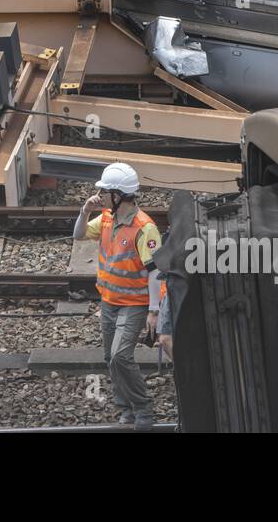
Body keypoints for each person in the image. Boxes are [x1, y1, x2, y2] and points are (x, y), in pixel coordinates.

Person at [73, 162, 166, 429]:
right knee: (109, 357)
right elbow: (78, 235)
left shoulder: (144, 228)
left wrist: (154, 311)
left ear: (119, 195)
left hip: (134, 304)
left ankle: (143, 409)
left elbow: (155, 272)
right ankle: (125, 408)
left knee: (120, 357)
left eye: (104, 192)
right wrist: (85, 210)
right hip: (109, 301)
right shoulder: (105, 217)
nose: (99, 195)